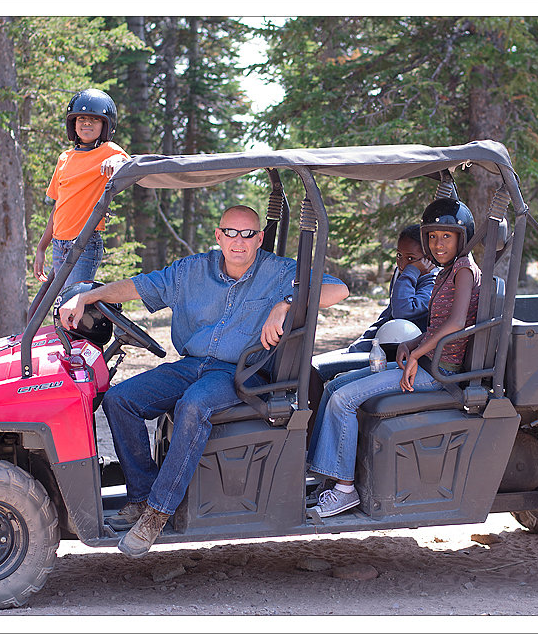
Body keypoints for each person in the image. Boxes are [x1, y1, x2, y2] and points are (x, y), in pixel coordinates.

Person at [58, 205, 348, 557]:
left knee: (193, 405)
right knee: (120, 399)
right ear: (218, 236)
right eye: (231, 233)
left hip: (238, 372)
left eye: (247, 234)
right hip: (193, 364)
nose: (238, 241)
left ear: (259, 238)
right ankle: (141, 496)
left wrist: (286, 303)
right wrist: (89, 296)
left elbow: (338, 290)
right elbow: (139, 286)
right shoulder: (192, 271)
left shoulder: (279, 271)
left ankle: (157, 513)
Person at [305, 198, 481, 518]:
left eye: (447, 236)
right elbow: (436, 324)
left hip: (439, 371)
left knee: (344, 400)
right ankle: (327, 476)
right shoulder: (447, 271)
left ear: (462, 237)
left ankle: (345, 490)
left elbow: (457, 323)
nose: (438, 244)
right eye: (433, 237)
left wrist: (417, 353)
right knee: (334, 387)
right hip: (426, 361)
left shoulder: (464, 270)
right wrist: (412, 342)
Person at [311, 223, 438, 381]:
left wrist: (411, 271)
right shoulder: (405, 276)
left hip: (396, 355)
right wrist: (357, 347)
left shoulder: (432, 283)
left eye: (411, 259)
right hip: (379, 347)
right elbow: (386, 318)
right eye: (399, 255)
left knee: (315, 369)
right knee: (310, 365)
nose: (402, 264)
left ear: (428, 260)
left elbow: (403, 312)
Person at [33, 88, 129, 289]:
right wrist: (42, 248)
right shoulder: (64, 158)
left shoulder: (108, 151)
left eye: (94, 119)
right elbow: (58, 208)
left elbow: (127, 162)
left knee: (74, 300)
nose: (87, 123)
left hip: (84, 242)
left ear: (106, 125)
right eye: (81, 118)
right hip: (58, 244)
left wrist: (115, 160)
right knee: (62, 301)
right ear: (73, 124)